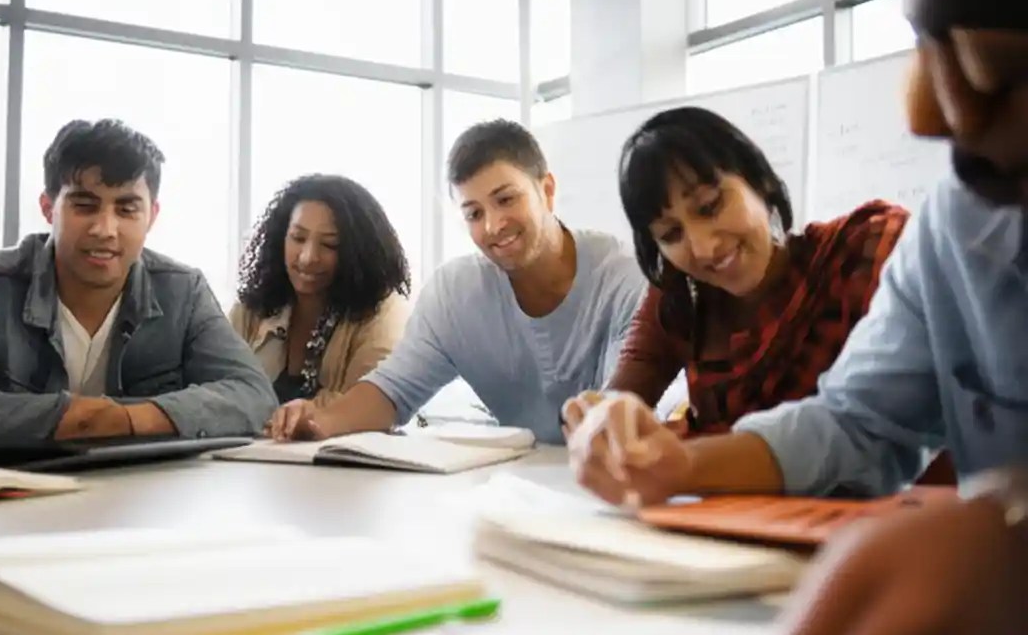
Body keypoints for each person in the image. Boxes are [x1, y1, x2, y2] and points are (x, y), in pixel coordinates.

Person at [566, 0, 1028, 635]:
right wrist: (671, 458)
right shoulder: (953, 231)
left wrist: (1008, 539)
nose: (923, 112)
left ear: (758, 182)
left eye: (989, 68)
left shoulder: (871, 244)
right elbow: (855, 422)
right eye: (670, 232)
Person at [0, 119, 275, 455]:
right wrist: (79, 416)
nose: (105, 229)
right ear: (49, 208)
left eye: (127, 209)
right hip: (8, 499)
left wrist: (129, 420)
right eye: (85, 205)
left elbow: (253, 395)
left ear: (151, 217)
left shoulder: (182, 291)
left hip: (145, 494)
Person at [267, 119, 646, 444]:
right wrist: (318, 420)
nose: (493, 226)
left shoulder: (622, 278)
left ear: (546, 190)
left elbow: (622, 408)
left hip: (617, 482)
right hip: (520, 487)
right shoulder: (456, 293)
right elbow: (393, 390)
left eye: (506, 199)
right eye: (474, 213)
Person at [575, 107, 907, 435]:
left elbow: (882, 426)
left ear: (758, 180)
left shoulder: (864, 251)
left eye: (709, 207)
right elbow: (626, 390)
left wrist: (688, 455)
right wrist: (598, 416)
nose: (704, 247)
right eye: (671, 234)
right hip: (729, 489)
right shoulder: (680, 296)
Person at [230, 174, 411, 409]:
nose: (308, 258)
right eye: (298, 238)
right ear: (280, 238)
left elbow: (367, 407)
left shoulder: (383, 313)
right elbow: (217, 391)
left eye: (329, 245)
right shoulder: (250, 310)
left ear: (357, 253)